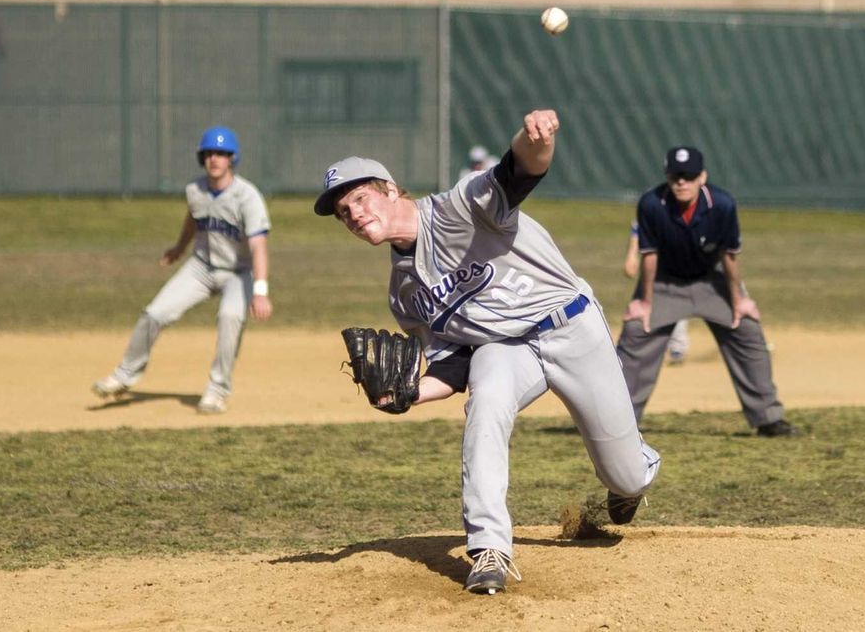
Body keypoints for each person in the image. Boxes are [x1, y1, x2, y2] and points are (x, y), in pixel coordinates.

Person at [314, 110, 661, 595]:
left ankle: (633, 478)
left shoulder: (459, 207)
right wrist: (408, 394)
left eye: (359, 198)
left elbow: (519, 171)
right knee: (485, 401)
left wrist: (534, 137)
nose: (353, 215)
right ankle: (490, 548)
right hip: (504, 348)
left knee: (624, 475)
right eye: (343, 213)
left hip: (570, 326)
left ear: (391, 189)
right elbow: (454, 363)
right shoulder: (404, 293)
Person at [616, 146, 797, 437]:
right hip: (666, 281)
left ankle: (768, 418)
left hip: (711, 280)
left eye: (688, 176)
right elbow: (649, 255)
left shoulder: (722, 204)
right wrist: (645, 302)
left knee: (747, 328)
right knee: (637, 330)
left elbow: (729, 256)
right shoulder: (652, 203)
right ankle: (618, 421)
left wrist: (739, 300)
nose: (681, 183)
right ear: (667, 176)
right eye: (676, 176)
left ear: (703, 177)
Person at [93, 126, 273, 414]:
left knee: (230, 317)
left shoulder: (247, 196)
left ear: (232, 158)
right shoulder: (194, 190)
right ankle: (123, 376)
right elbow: (193, 219)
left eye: (222, 153)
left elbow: (258, 246)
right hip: (201, 267)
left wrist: (261, 290)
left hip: (239, 272)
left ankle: (217, 391)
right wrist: (179, 248)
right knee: (154, 313)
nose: (214, 158)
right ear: (201, 158)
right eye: (209, 153)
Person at [624, 220, 691, 365]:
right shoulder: (646, 214)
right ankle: (641, 347)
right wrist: (631, 256)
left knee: (677, 304)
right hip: (652, 274)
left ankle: (677, 346)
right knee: (642, 308)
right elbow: (636, 234)